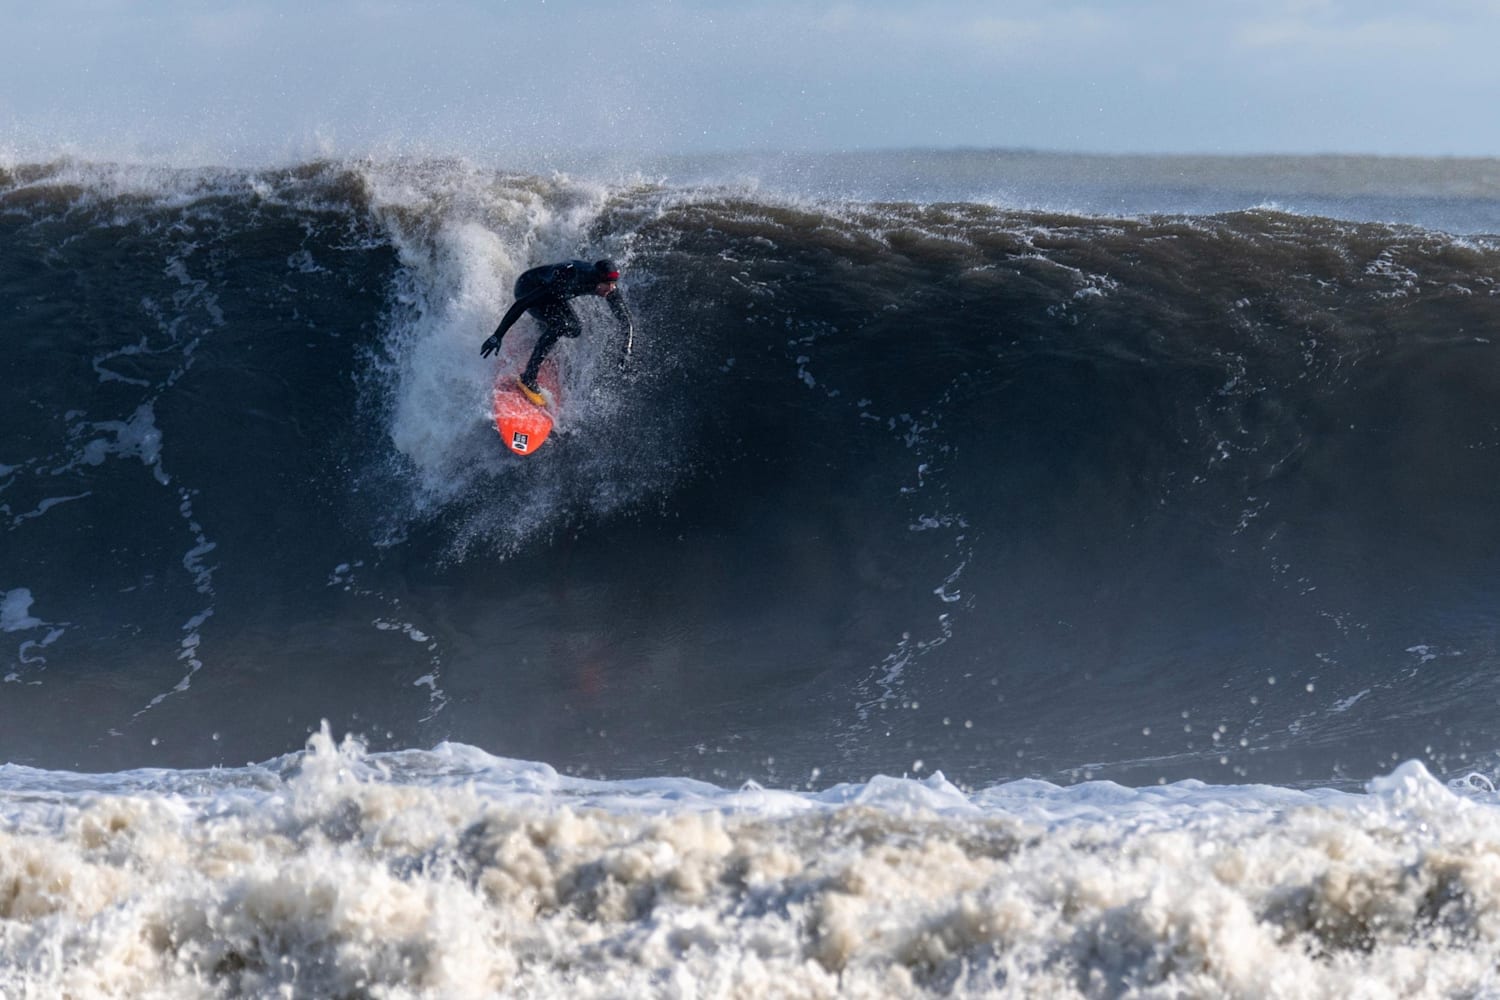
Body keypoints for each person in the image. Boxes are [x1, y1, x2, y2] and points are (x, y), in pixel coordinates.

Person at [479, 258, 634, 404]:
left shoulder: (608, 287)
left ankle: (543, 333)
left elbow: (626, 321)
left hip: (553, 295)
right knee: (562, 325)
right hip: (527, 287)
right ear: (597, 279)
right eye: (608, 284)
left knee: (574, 329)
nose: (612, 288)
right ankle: (528, 378)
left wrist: (626, 350)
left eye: (614, 283)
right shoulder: (568, 278)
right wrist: (497, 335)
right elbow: (522, 304)